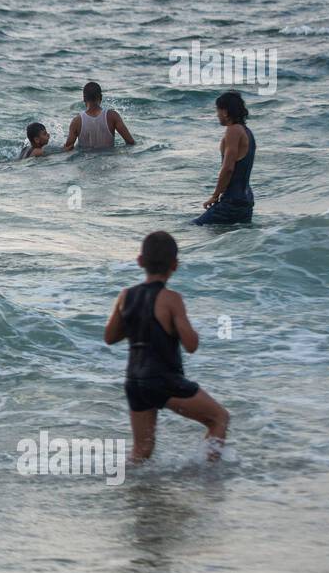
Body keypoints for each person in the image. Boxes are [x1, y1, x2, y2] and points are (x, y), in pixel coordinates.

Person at [103, 231, 229, 462]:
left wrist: (136, 321)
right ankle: (210, 479)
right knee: (219, 418)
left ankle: (130, 490)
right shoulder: (172, 299)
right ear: (175, 265)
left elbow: (109, 337)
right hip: (163, 380)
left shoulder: (125, 296)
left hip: (134, 382)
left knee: (141, 451)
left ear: (140, 261)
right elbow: (191, 345)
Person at [193, 90, 256, 225]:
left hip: (232, 201)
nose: (217, 115)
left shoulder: (233, 130)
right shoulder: (247, 132)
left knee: (192, 228)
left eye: (218, 110)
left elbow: (228, 168)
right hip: (246, 200)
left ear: (226, 112)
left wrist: (215, 196)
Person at [63, 81, 135, 151]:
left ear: (84, 98)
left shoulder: (77, 121)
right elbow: (130, 142)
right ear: (101, 97)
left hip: (86, 160)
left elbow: (68, 148)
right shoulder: (112, 116)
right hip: (108, 160)